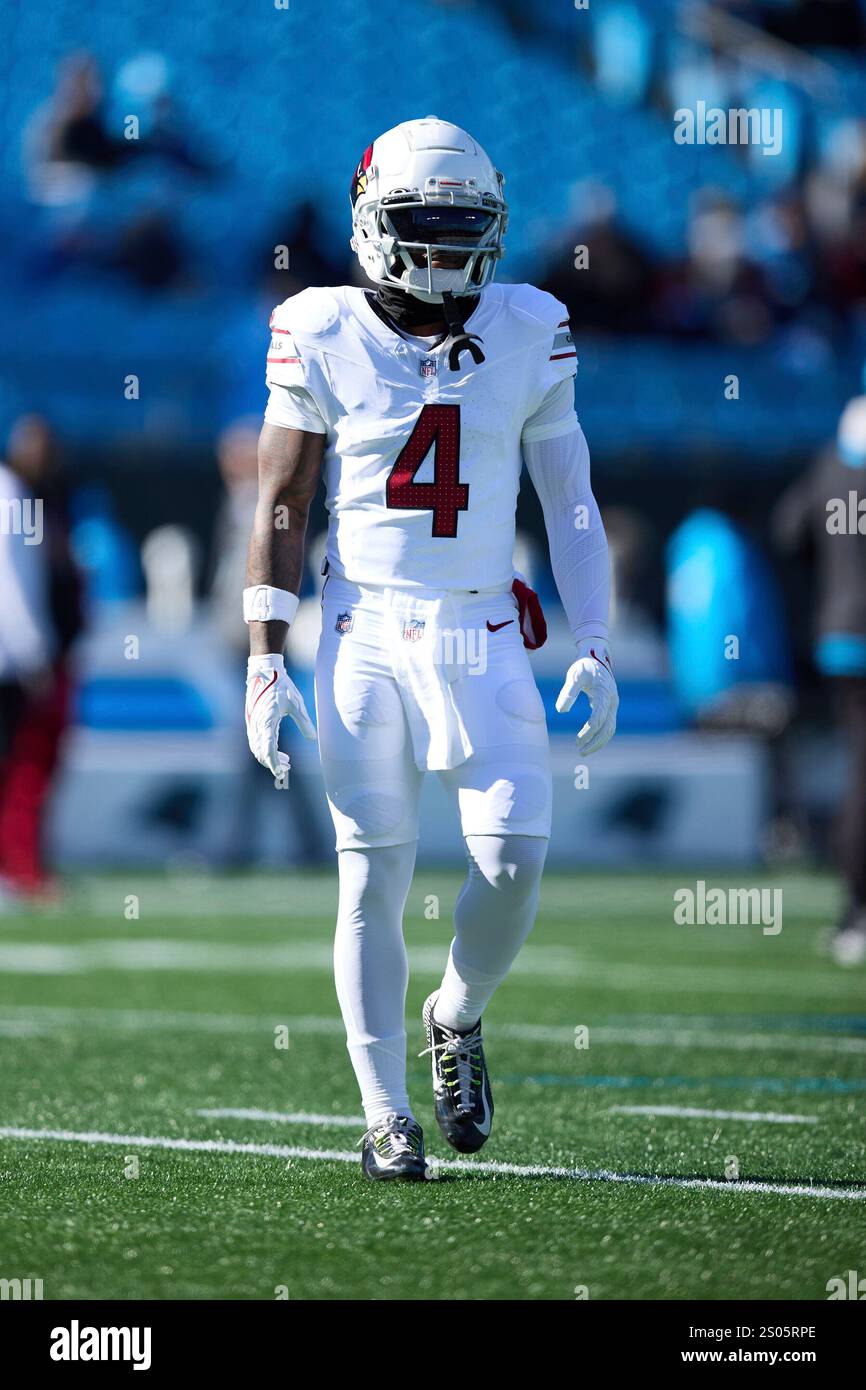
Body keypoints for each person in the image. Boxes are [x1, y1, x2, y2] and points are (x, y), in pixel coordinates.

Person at [243, 118, 617, 1179]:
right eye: (428, 223)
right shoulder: (317, 327)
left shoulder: (529, 324)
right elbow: (282, 500)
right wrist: (265, 652)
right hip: (361, 627)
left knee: (513, 859)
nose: (451, 246)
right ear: (372, 221)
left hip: (482, 625)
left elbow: (570, 499)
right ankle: (383, 1113)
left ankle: (455, 1014)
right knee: (370, 875)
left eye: (467, 224)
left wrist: (591, 636)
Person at [773, 396, 866, 965]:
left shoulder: (829, 466)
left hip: (840, 637)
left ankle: (855, 909)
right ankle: (857, 907)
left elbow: (789, 534)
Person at [0, 416, 83, 901]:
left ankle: (20, 865)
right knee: (22, 764)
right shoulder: (13, 494)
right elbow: (13, 582)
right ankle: (20, 867)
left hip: (21, 655)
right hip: (16, 660)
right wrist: (33, 653)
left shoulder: (35, 497)